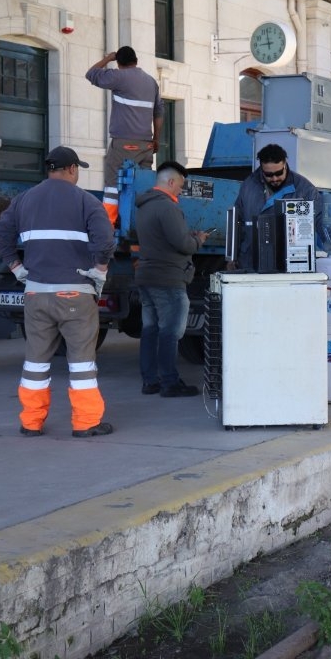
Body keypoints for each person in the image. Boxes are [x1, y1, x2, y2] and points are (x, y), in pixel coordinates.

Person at [0, 146, 116, 438]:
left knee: (35, 361)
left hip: (36, 294)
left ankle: (31, 422)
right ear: (72, 169)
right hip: (75, 293)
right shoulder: (86, 200)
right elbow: (105, 241)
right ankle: (85, 423)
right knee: (82, 362)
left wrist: (16, 267)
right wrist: (99, 271)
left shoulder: (24, 199)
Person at [135, 160, 209, 397]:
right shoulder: (168, 207)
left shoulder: (145, 206)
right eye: (180, 185)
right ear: (170, 182)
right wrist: (198, 240)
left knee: (150, 330)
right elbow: (183, 244)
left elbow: (164, 238)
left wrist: (187, 237)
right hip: (167, 278)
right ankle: (170, 383)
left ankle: (150, 381)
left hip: (147, 276)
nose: (181, 190)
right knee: (170, 331)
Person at [85, 47, 165, 225]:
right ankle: (141, 223)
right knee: (142, 184)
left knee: (113, 184)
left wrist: (108, 58)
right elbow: (159, 112)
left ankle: (109, 225)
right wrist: (156, 139)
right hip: (146, 145)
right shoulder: (151, 82)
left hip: (123, 144)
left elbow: (91, 74)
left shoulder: (118, 76)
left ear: (119, 63)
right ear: (136, 60)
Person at [232, 143, 323, 270]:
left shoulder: (305, 190)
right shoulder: (248, 186)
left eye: (279, 173)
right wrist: (232, 258)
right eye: (269, 175)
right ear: (261, 169)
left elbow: (321, 224)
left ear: (285, 164)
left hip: (289, 266)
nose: (274, 178)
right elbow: (237, 222)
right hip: (250, 264)